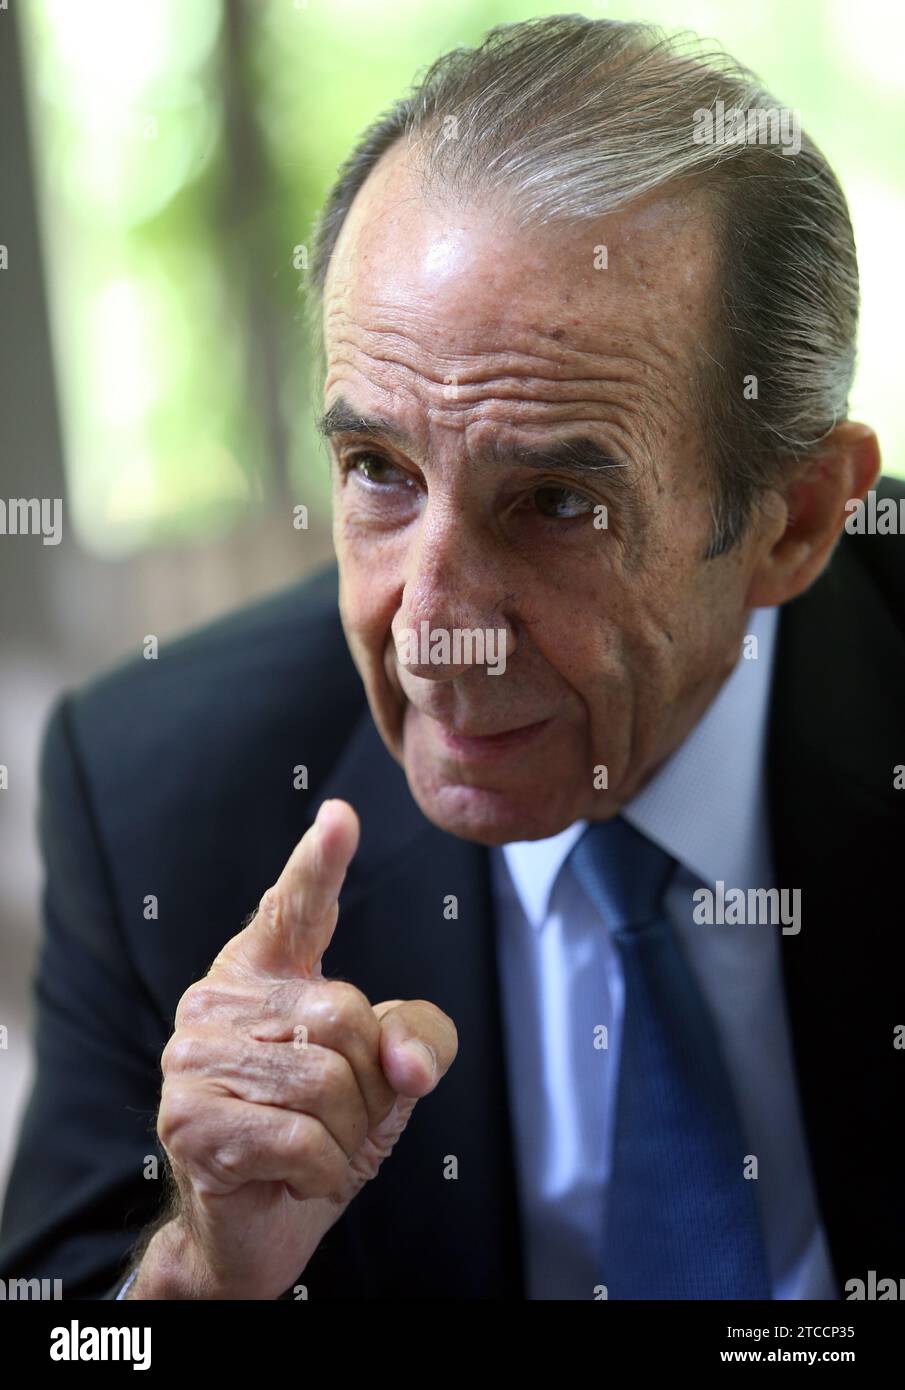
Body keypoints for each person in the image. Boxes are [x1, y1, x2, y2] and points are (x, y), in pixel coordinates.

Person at [1, 15, 902, 1301]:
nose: (427, 629)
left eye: (554, 503)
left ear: (795, 518)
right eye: (378, 470)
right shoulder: (151, 793)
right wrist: (201, 1273)